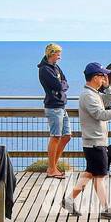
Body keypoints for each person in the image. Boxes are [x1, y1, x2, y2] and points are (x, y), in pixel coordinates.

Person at [62, 63, 111, 219]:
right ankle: (106, 209)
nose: (104, 78)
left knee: (91, 173)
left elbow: (108, 101)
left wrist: (108, 87)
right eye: (102, 76)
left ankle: (68, 200)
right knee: (100, 176)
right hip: (94, 142)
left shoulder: (93, 94)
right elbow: (101, 114)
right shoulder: (88, 96)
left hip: (95, 142)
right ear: (95, 77)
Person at [38, 43, 70, 179]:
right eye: (58, 54)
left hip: (61, 105)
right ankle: (51, 169)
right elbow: (58, 84)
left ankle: (53, 166)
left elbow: (65, 82)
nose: (59, 57)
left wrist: (61, 85)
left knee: (67, 136)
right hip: (53, 107)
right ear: (51, 53)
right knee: (55, 136)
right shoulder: (45, 69)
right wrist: (61, 85)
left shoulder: (55, 67)